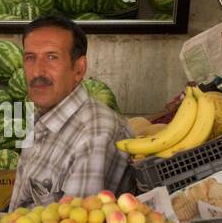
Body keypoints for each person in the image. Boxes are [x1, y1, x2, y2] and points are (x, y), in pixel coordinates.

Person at [8, 14, 131, 209]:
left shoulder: (94, 136)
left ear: (79, 69)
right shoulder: (43, 117)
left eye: (51, 57)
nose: (37, 71)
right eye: (30, 58)